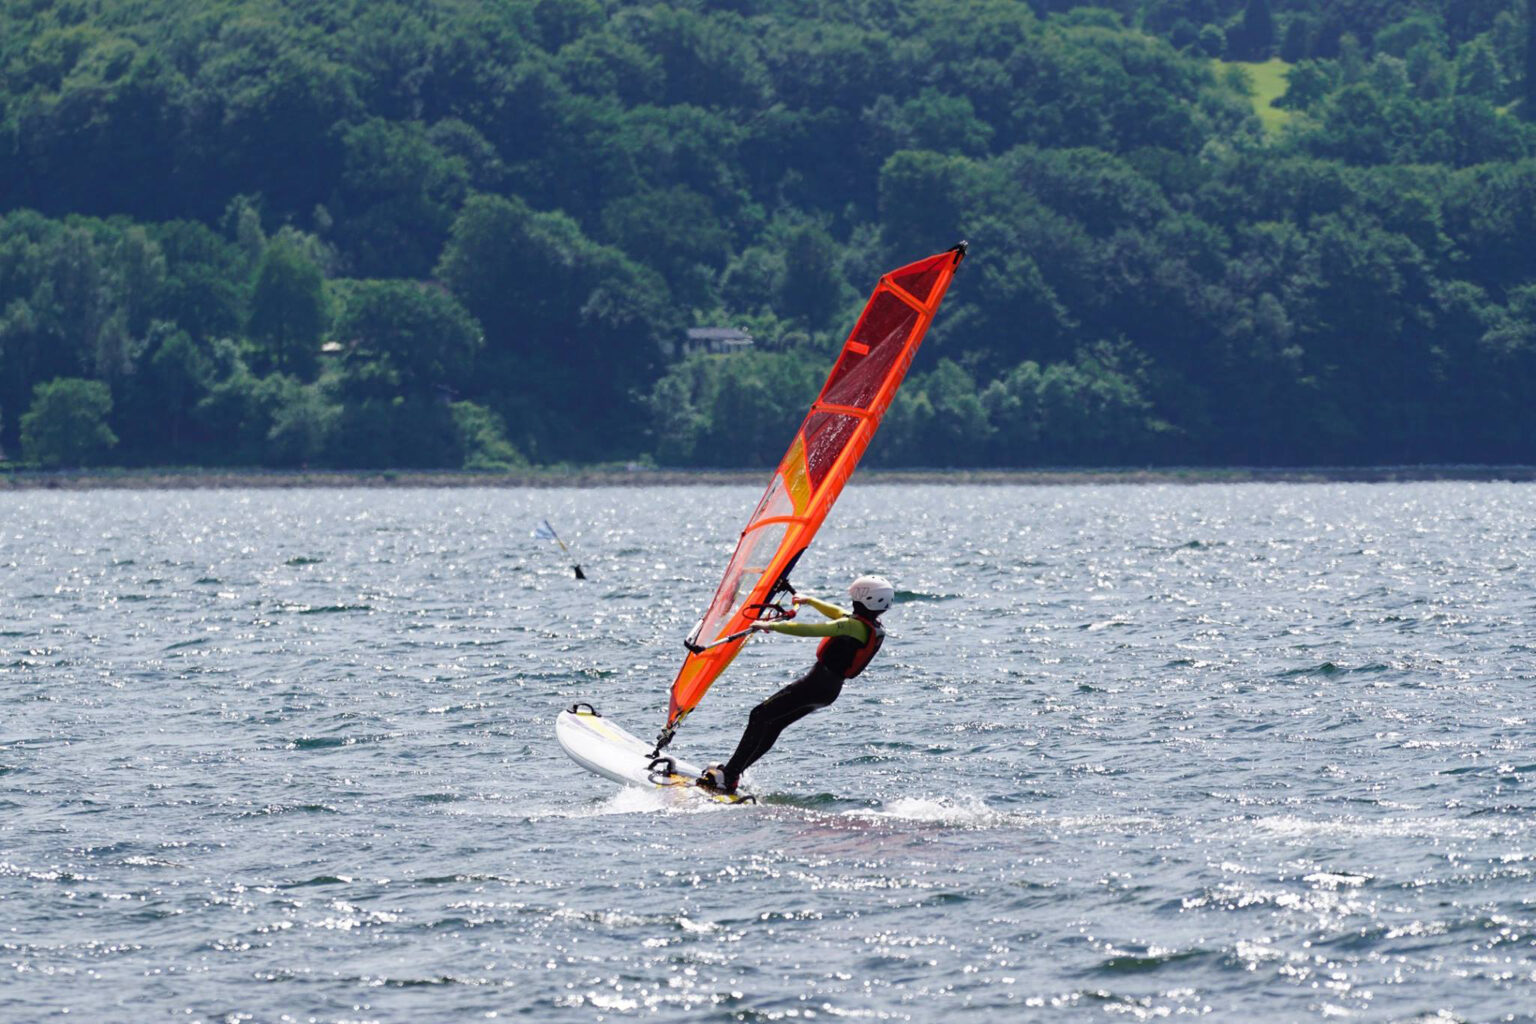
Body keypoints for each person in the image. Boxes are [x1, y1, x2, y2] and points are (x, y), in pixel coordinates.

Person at [698, 575, 894, 795]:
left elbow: (812, 629)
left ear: (863, 598)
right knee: (773, 724)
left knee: (759, 715)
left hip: (816, 684)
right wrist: (809, 600)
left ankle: (729, 775)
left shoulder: (852, 626)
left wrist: (771, 625)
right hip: (828, 690)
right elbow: (837, 612)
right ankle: (732, 774)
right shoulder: (867, 625)